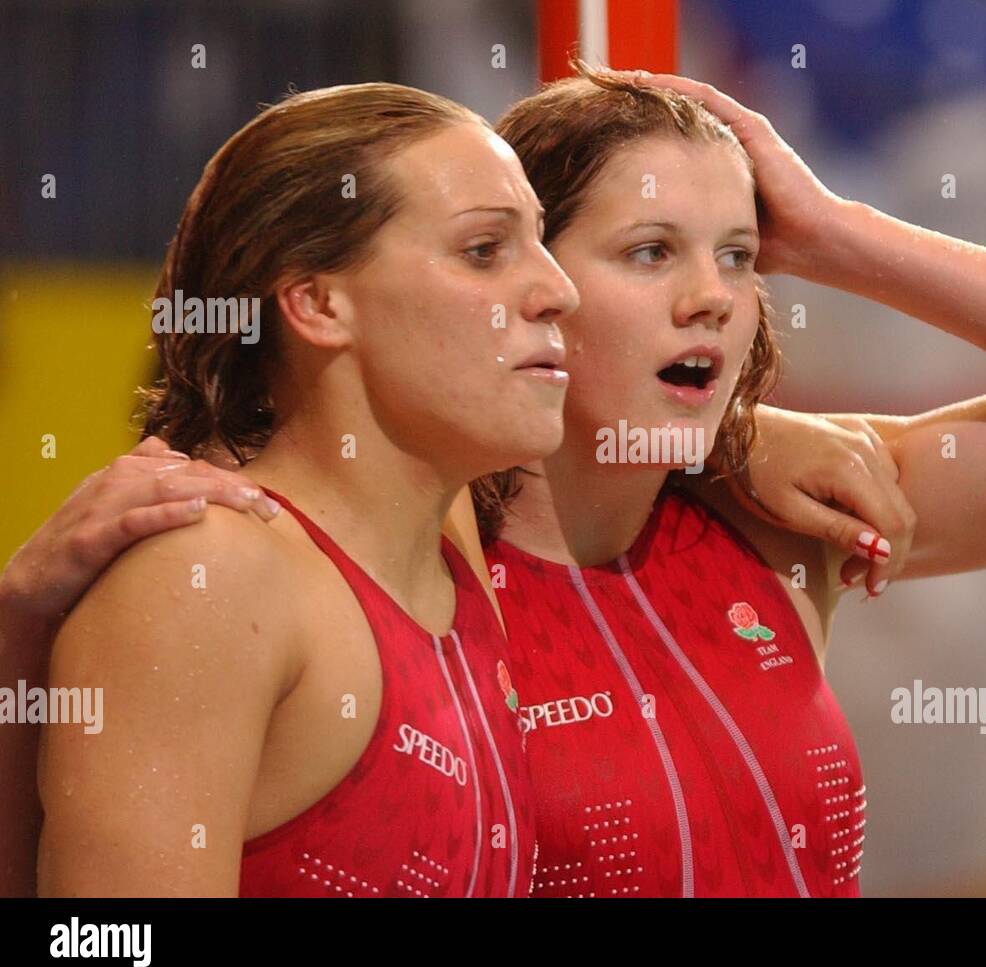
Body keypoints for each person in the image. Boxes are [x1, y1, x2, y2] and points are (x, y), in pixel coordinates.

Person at [470, 64, 986, 897]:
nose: (711, 296)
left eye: (739, 255)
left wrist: (836, 236)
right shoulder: (412, 553)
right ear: (531, 289)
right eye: (650, 251)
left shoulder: (777, 527)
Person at [29, 82, 583, 896]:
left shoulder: (447, 536)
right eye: (483, 249)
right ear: (318, 302)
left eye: (539, 241)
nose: (557, 289)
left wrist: (762, 441)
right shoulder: (208, 578)